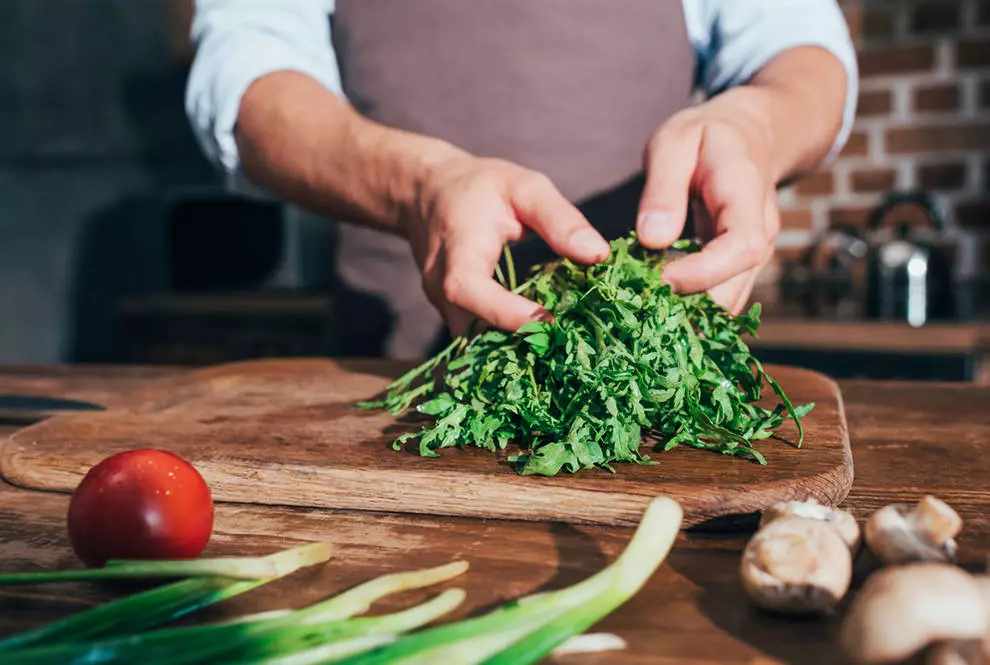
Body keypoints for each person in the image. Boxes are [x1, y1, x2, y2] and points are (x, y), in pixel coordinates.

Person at [185, 0, 858, 360]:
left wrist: (757, 128)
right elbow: (247, 68)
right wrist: (419, 185)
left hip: (642, 363)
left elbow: (802, 48)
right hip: (401, 361)